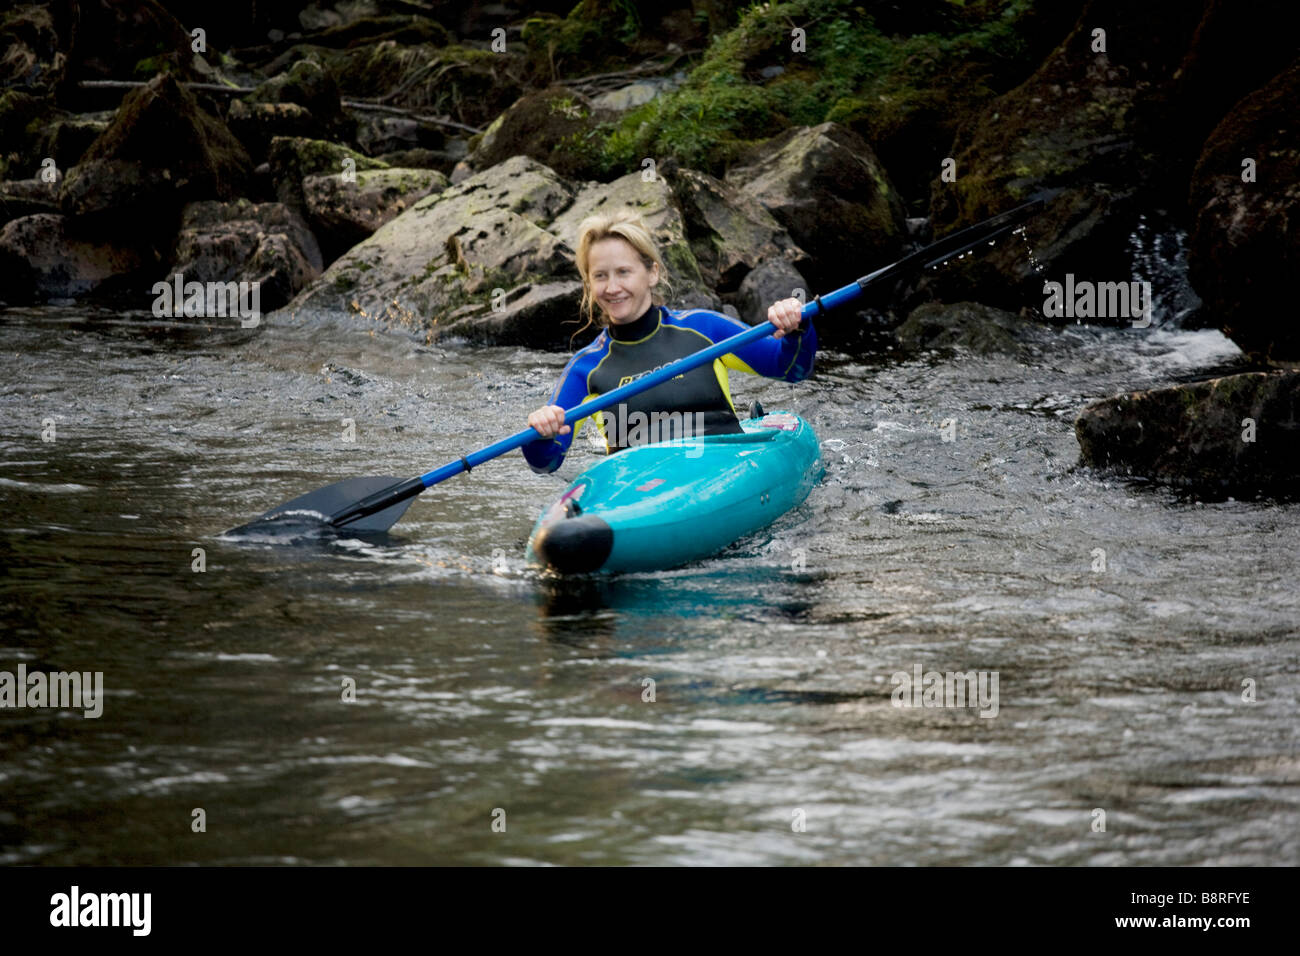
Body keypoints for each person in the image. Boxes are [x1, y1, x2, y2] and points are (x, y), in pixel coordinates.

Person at [523, 208, 815, 474]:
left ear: (652, 273)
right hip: (643, 487)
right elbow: (546, 462)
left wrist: (796, 327)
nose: (612, 287)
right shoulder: (585, 369)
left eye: (623, 272)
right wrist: (541, 432)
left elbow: (791, 368)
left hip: (724, 470)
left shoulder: (705, 328)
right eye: (600, 276)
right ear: (589, 284)